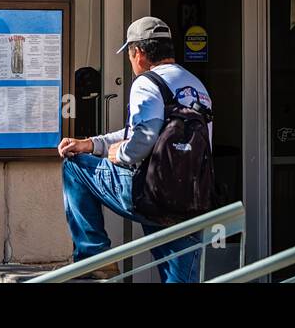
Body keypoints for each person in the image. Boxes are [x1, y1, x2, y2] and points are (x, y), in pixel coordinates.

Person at [57, 16, 213, 282]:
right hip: (190, 196)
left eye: (129, 54)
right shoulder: (196, 85)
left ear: (138, 53)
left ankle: (95, 259)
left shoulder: (146, 83)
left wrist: (121, 153)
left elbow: (143, 137)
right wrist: (92, 144)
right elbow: (146, 131)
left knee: (74, 167)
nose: (130, 61)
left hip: (149, 192)